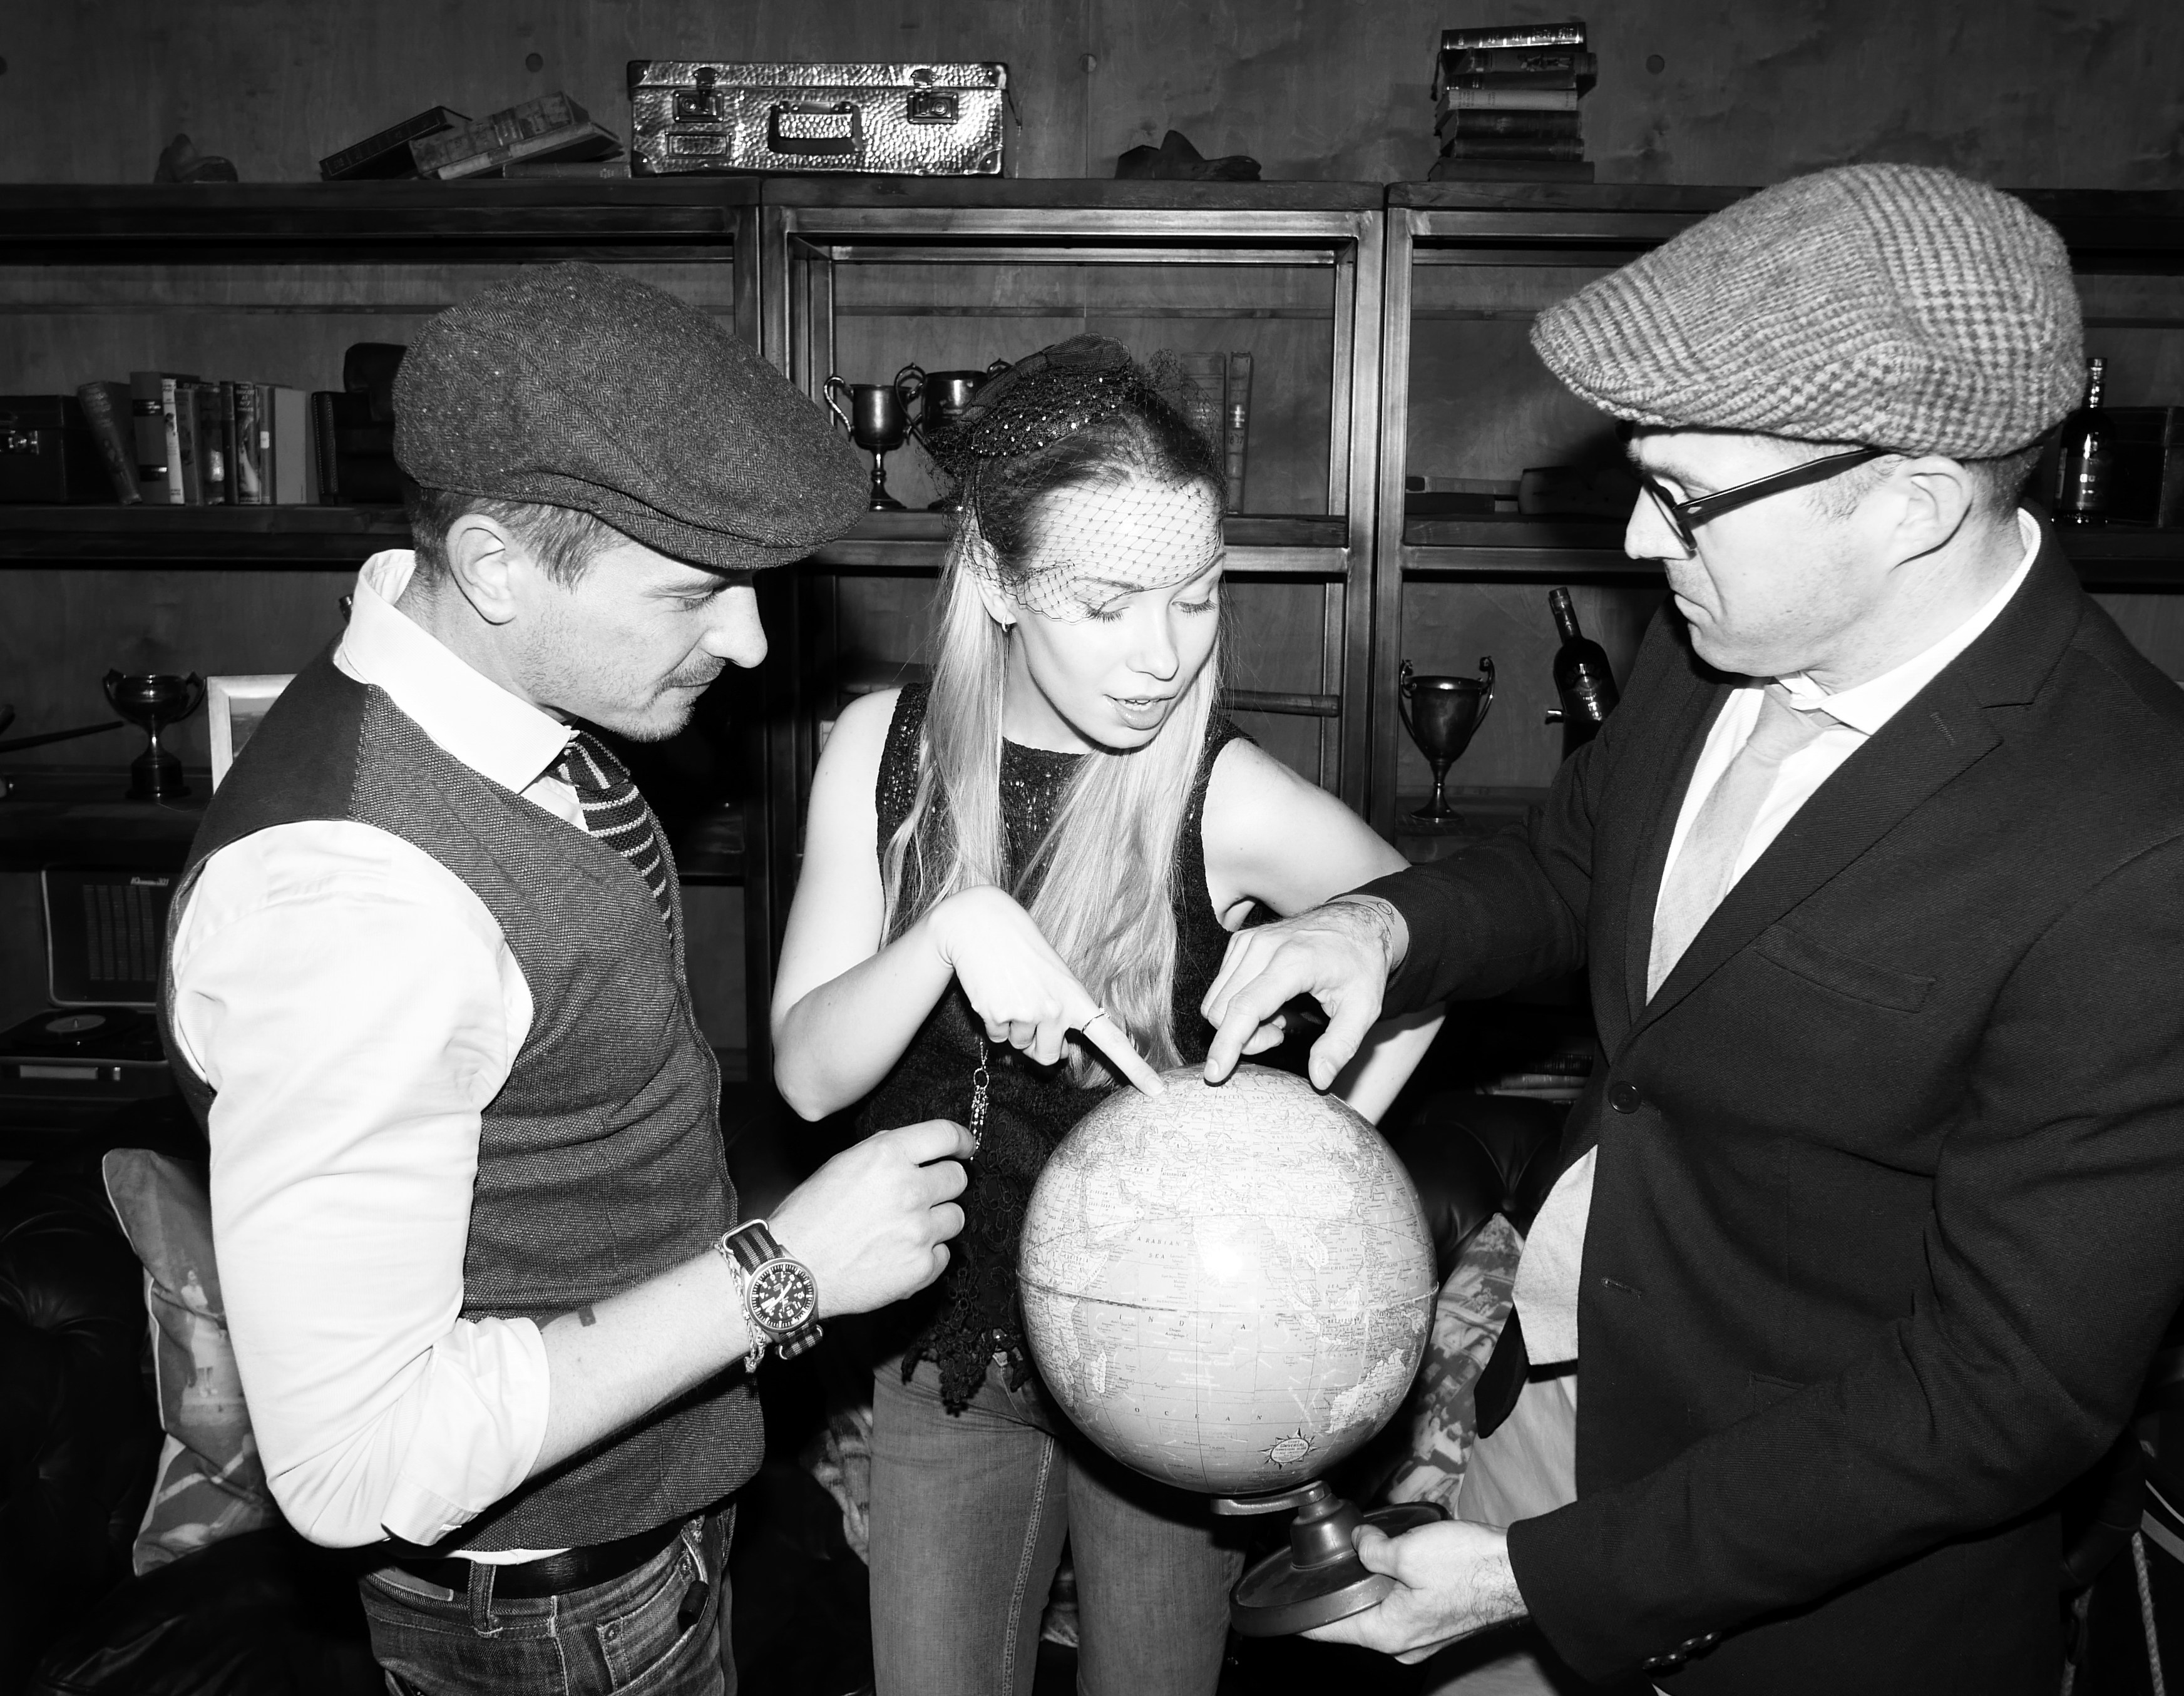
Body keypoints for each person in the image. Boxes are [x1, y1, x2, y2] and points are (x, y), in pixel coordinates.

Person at [1199, 165, 2184, 1692]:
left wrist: (1539, 1580)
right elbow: (1573, 861)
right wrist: (1383, 929)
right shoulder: (1728, 629)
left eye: (1679, 494)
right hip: (1541, 1416)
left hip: (1786, 1587)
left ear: (1911, 505)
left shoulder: (2181, 875)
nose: (1633, 539)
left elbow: (1995, 1392)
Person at [161, 263, 973, 1696]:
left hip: (649, 1526)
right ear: (492, 565)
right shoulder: (354, 903)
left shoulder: (505, 700)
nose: (749, 640)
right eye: (692, 592)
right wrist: (784, 1269)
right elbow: (355, 1463)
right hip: (545, 1621)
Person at [769, 336, 1442, 1696]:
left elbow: (1425, 955)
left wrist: (1306, 1173)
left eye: (1197, 597)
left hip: (1174, 1361)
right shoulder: (880, 753)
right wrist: (949, 928)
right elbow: (806, 1076)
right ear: (995, 580)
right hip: (949, 1351)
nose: (1163, 654)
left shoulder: (1228, 796)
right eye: (1108, 604)